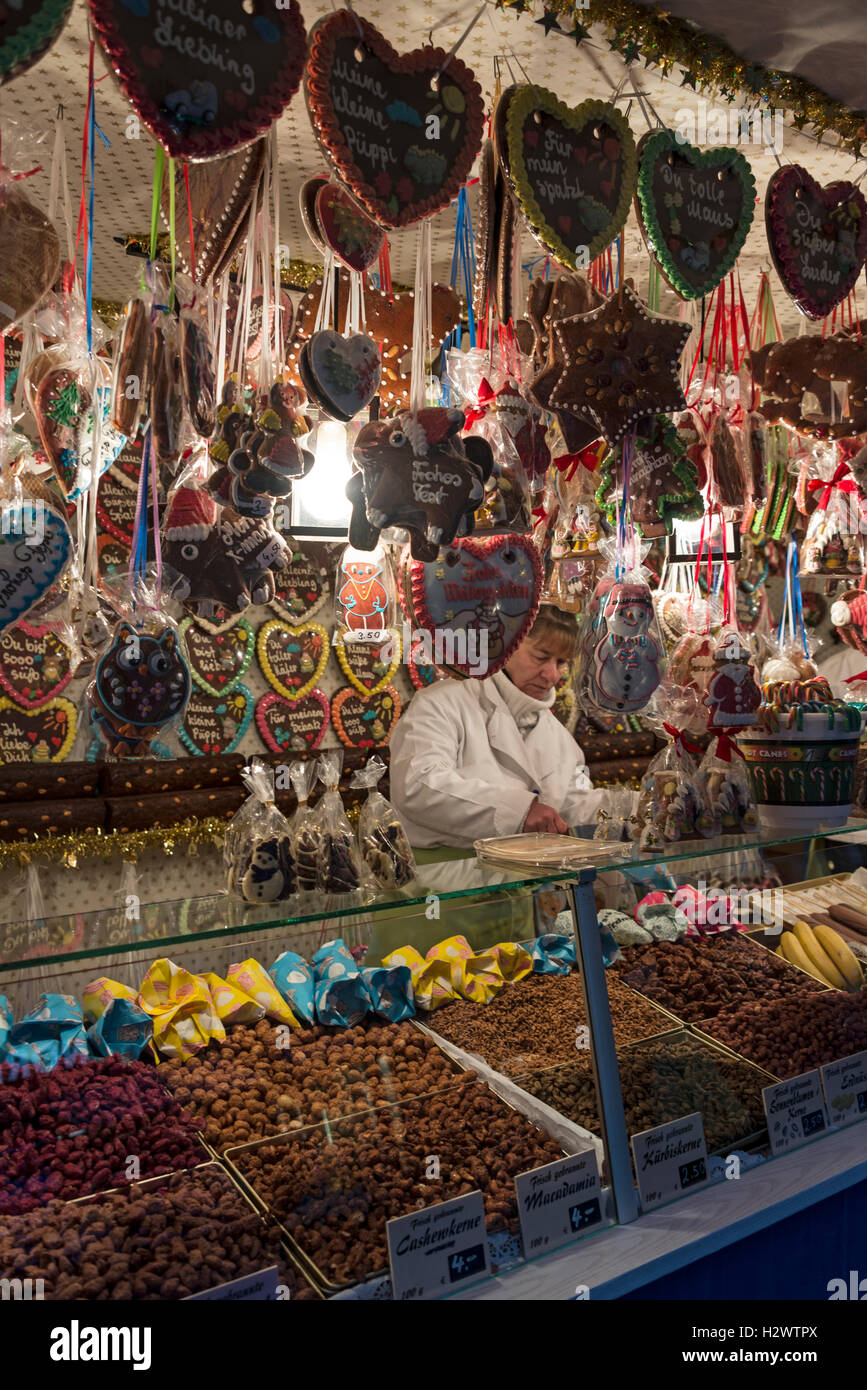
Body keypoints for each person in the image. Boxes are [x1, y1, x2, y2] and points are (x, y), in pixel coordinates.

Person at [390, 604, 611, 849]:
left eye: (561, 662)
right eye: (541, 657)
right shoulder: (441, 703)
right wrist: (519, 811)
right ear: (507, 646)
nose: (552, 675)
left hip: (531, 878)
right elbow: (418, 786)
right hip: (446, 879)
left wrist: (636, 807)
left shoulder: (556, 734)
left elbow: (575, 803)